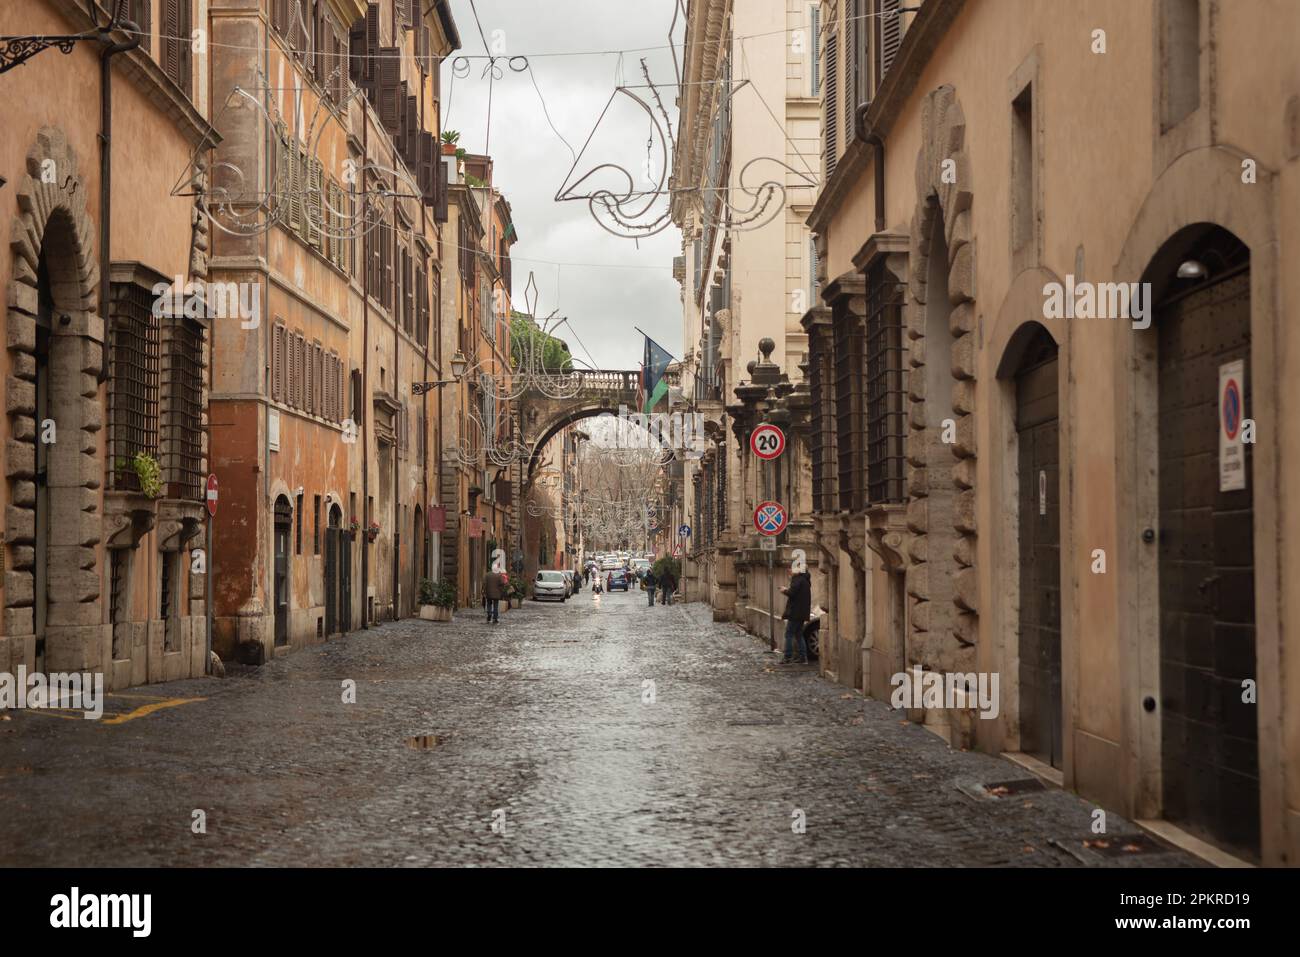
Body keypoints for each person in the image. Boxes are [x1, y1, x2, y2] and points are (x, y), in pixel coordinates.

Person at [779, 568, 812, 663]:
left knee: (788, 634)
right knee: (798, 634)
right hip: (802, 612)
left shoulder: (798, 579)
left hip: (795, 612)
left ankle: (787, 657)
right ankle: (803, 657)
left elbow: (792, 593)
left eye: (792, 568)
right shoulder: (805, 580)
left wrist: (784, 590)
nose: (789, 570)